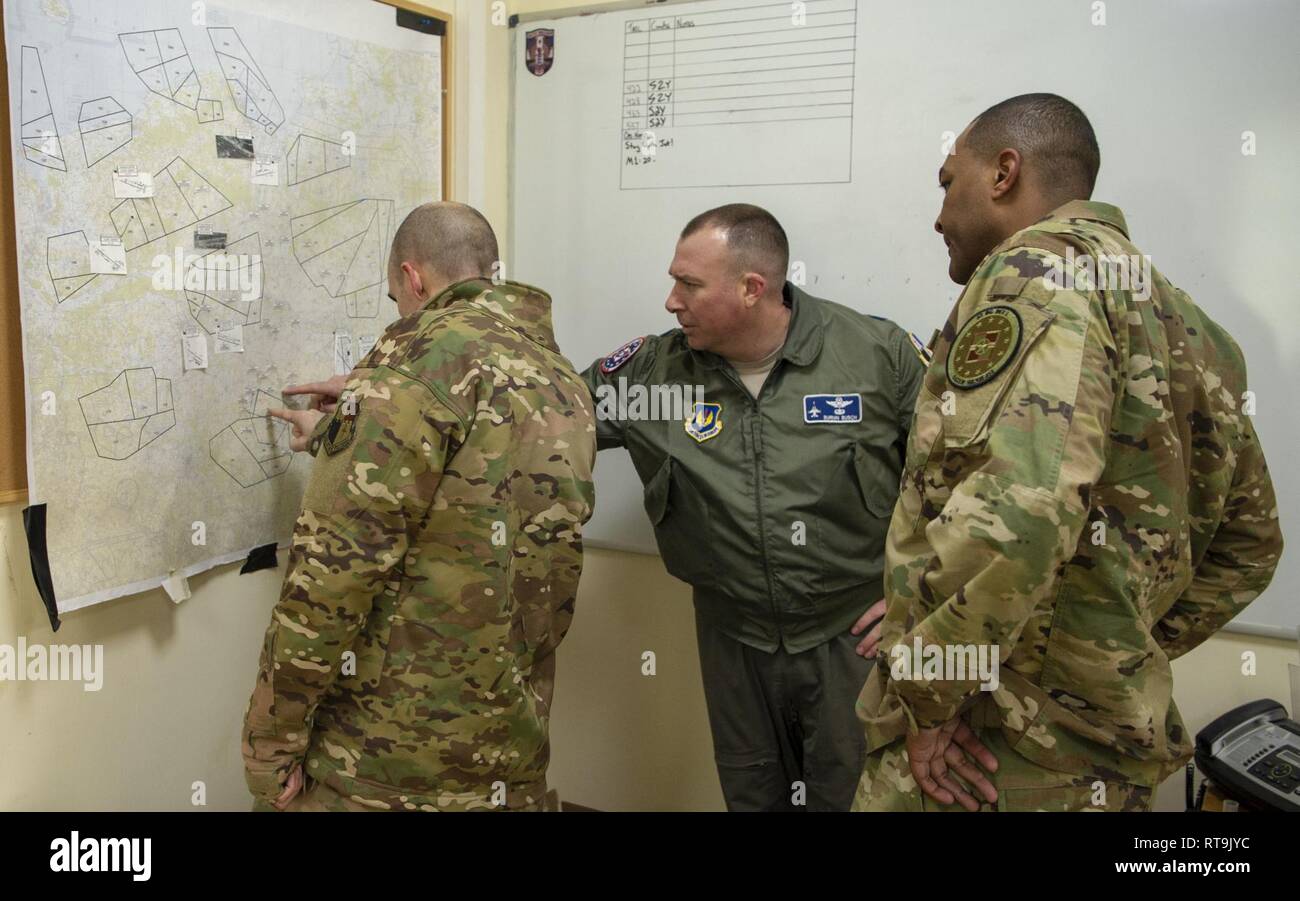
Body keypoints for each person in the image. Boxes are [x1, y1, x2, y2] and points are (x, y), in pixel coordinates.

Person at [852, 94, 1284, 812]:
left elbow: (1018, 518)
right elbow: (1253, 542)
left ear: (1003, 172)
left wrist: (928, 696)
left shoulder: (1030, 275)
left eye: (946, 181)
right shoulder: (1192, 323)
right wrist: (1114, 649)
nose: (937, 213)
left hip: (993, 745)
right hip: (1097, 747)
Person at [240, 202, 596, 811]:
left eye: (395, 297)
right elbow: (472, 489)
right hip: (507, 746)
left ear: (413, 278)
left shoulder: (408, 369)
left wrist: (270, 743)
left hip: (387, 762)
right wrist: (354, 416)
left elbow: (332, 575)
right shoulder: (557, 374)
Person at [584, 204, 928, 811]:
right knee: (753, 796)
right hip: (733, 638)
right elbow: (534, 411)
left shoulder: (877, 354)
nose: (671, 301)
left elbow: (964, 480)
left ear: (752, 288)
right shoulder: (654, 376)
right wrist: (382, 387)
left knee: (852, 795)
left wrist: (919, 591)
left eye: (689, 284)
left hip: (850, 639)